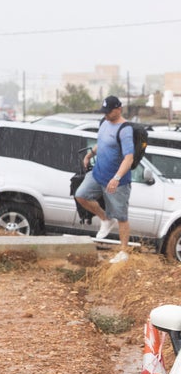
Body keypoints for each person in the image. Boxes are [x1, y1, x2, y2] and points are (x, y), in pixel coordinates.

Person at [74, 95, 134, 263]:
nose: (106, 114)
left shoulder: (125, 129)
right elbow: (102, 143)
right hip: (98, 174)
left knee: (121, 216)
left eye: (109, 112)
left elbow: (129, 158)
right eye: (104, 111)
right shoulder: (103, 122)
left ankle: (124, 252)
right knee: (81, 195)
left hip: (117, 181)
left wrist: (116, 178)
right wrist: (90, 154)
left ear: (118, 109)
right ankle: (106, 219)